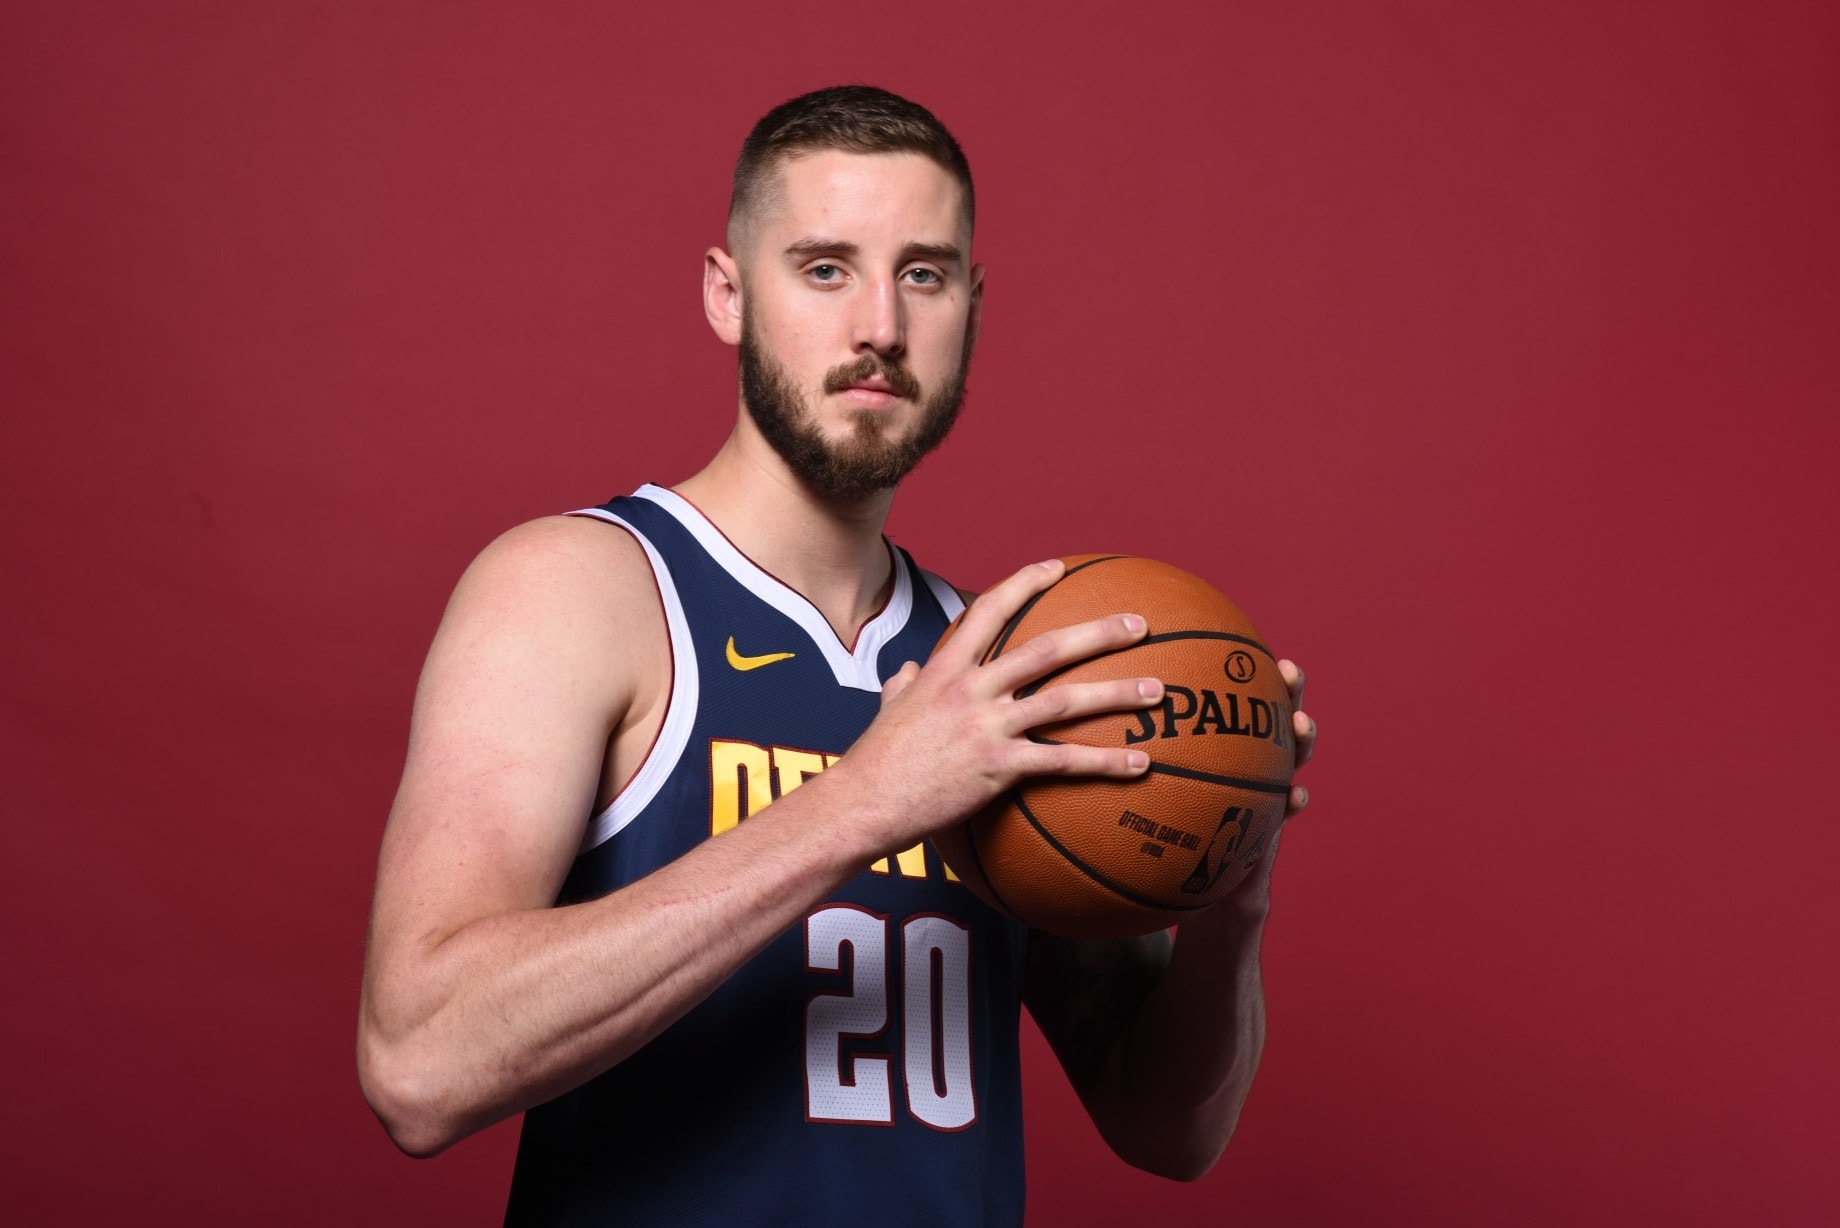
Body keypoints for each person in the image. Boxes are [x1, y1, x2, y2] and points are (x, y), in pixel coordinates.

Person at [358, 85, 1317, 1226]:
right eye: (823, 269)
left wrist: (1226, 894)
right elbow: (419, 1063)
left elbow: (1169, 1128)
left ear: (970, 300)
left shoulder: (993, 669)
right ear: (728, 295)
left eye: (923, 273)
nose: (879, 325)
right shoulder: (582, 590)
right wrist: (864, 802)